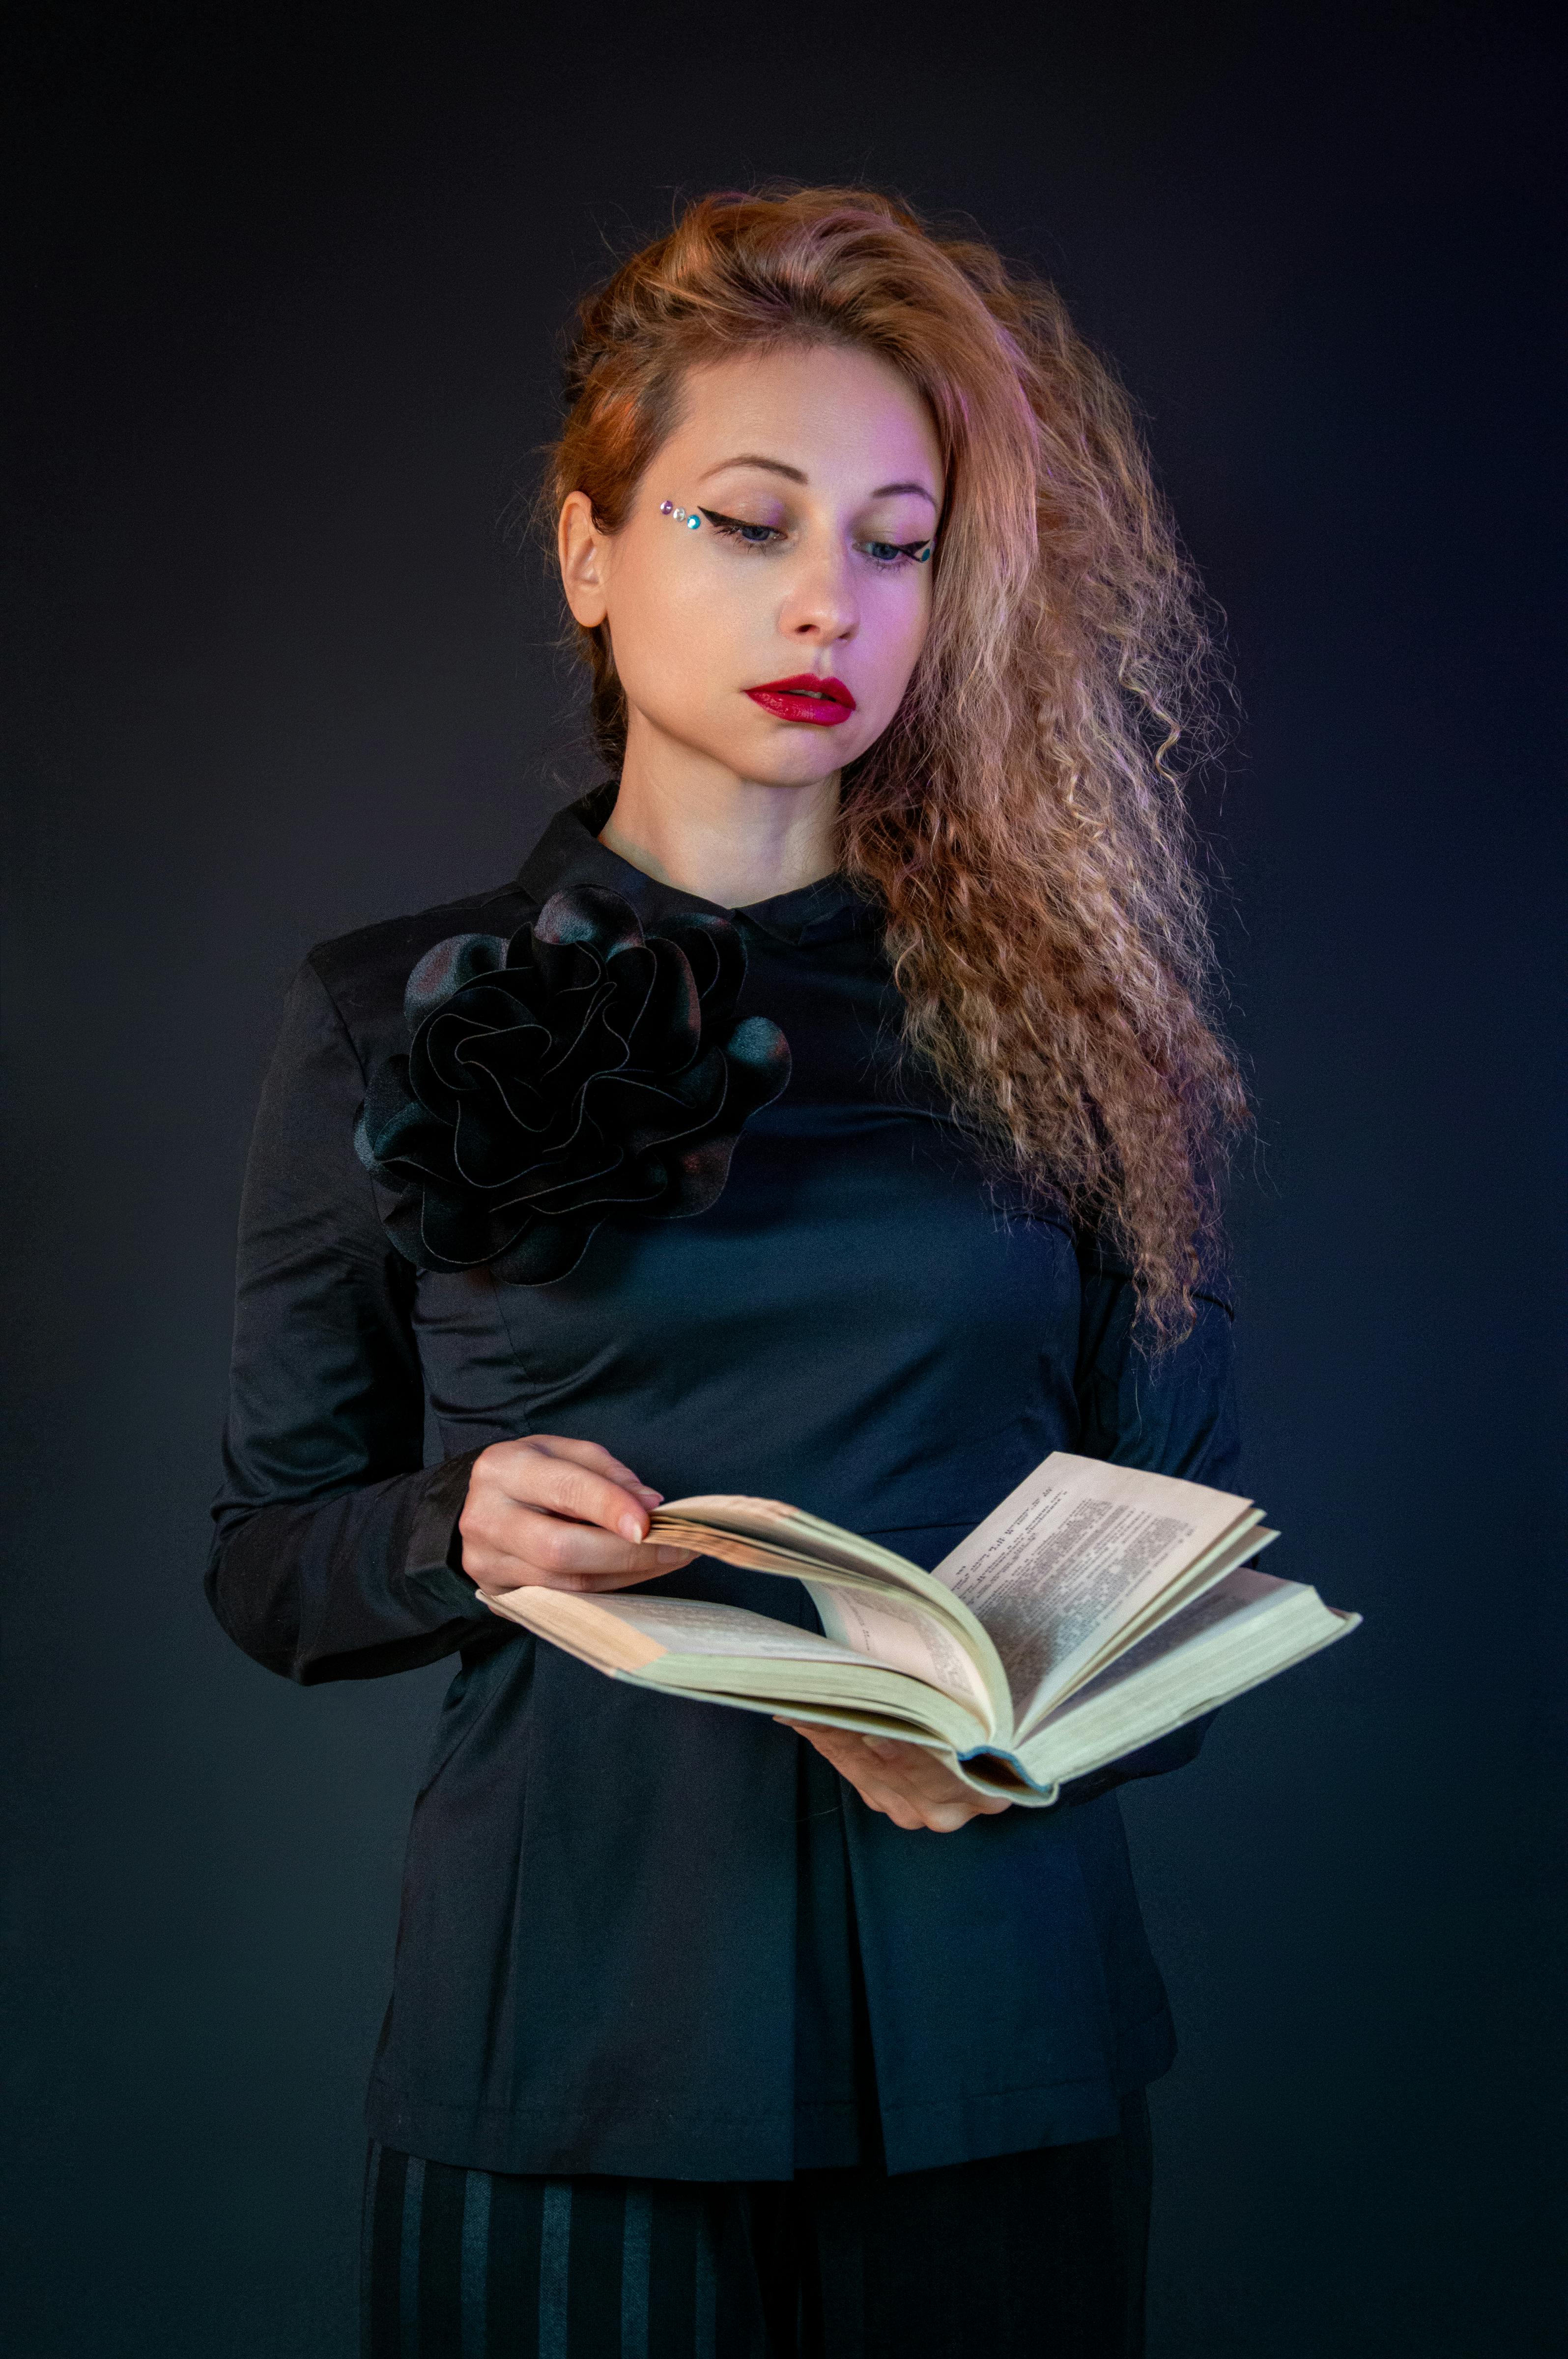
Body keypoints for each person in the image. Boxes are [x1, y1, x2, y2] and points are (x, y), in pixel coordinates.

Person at [209, 186, 1248, 2358]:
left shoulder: (1075, 1027)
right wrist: (452, 1528)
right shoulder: (380, 1010)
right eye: (747, 522)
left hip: (995, 2033)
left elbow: (1184, 1519)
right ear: (591, 552)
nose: (831, 600)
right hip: (569, 2025)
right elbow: (271, 1557)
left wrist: (1019, 1732)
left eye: (896, 538)